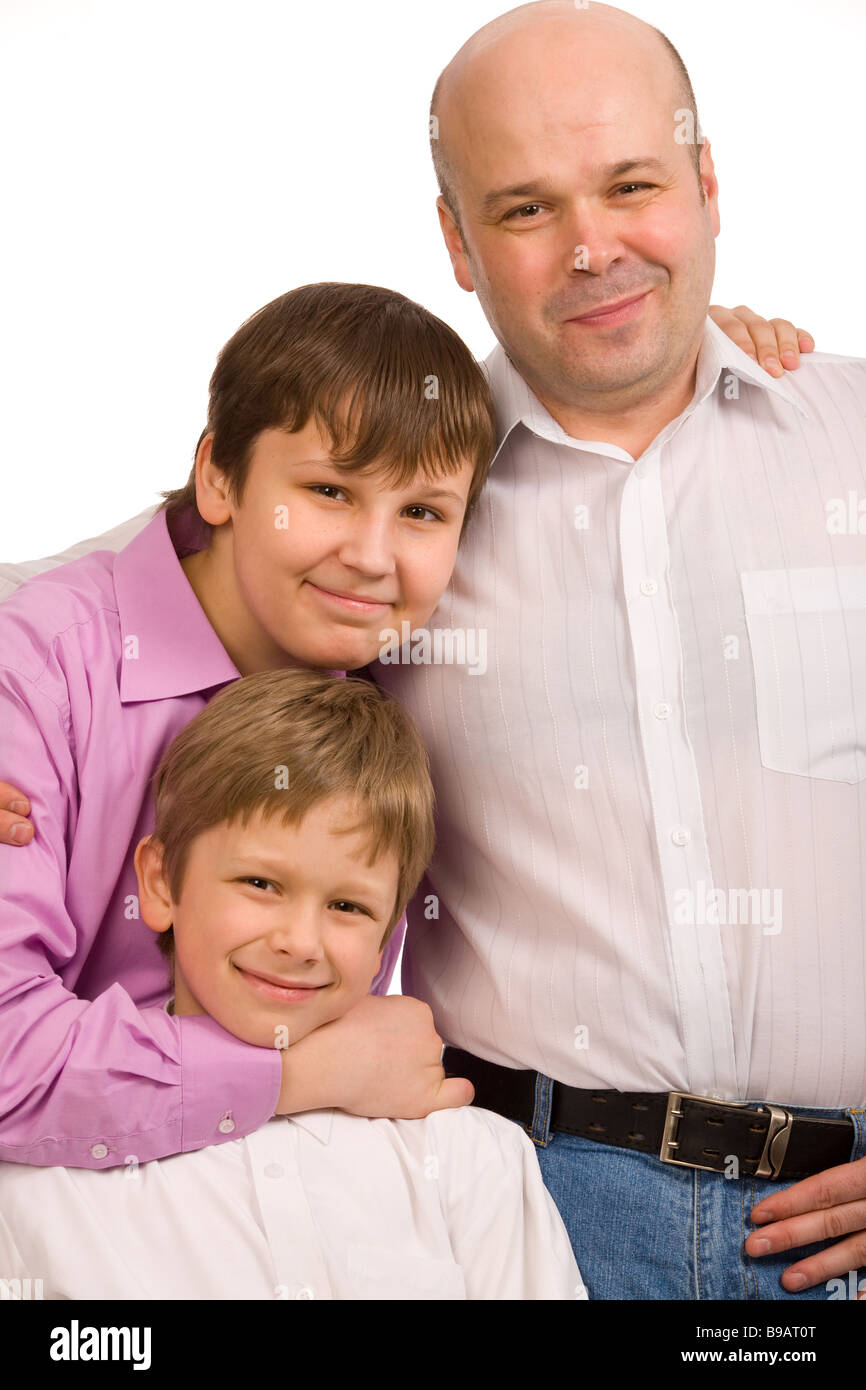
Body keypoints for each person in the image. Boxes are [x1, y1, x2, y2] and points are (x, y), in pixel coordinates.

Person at [0, 3, 839, 1301]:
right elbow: (147, 572)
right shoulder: (375, 501)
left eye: (630, 187)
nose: (592, 248)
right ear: (455, 238)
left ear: (704, 181)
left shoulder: (832, 443)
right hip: (456, 1196)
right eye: (523, 208)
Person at [0, 281, 485, 1171]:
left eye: (421, 512)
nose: (373, 558)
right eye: (330, 491)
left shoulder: (406, 681)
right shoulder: (40, 670)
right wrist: (299, 1071)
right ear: (219, 476)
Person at [0, 667, 582, 1299]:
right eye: (260, 884)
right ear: (163, 883)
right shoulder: (42, 1177)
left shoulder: (474, 1159)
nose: (300, 943)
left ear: (390, 931)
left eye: (348, 907)